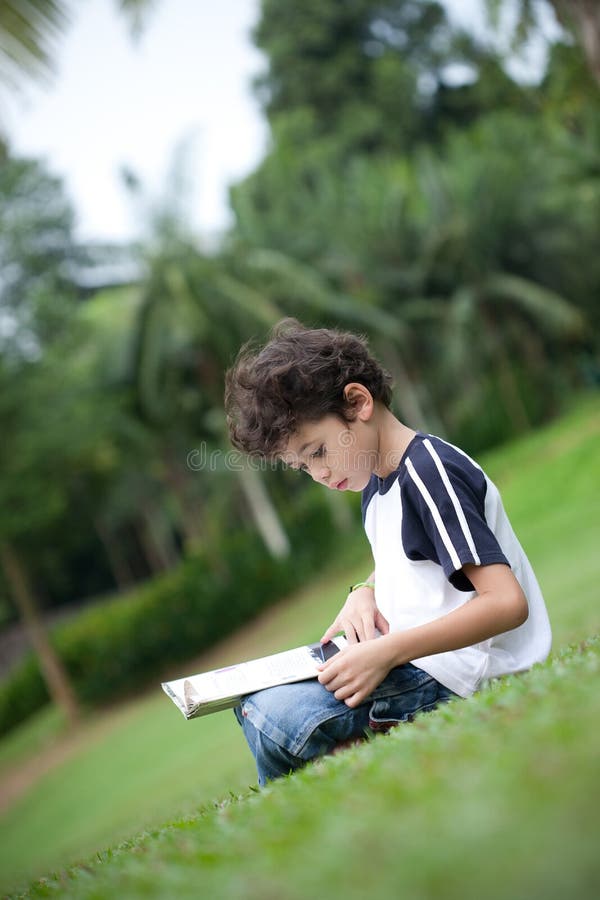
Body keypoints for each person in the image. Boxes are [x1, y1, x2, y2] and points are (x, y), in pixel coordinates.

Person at [224, 319, 552, 786]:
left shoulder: (429, 470)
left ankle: (340, 771)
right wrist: (364, 591)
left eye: (316, 452)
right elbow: (417, 559)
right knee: (252, 703)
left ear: (358, 403)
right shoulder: (376, 484)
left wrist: (386, 653)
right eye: (301, 466)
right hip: (414, 664)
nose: (316, 474)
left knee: (272, 717)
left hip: (452, 672)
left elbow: (505, 602)